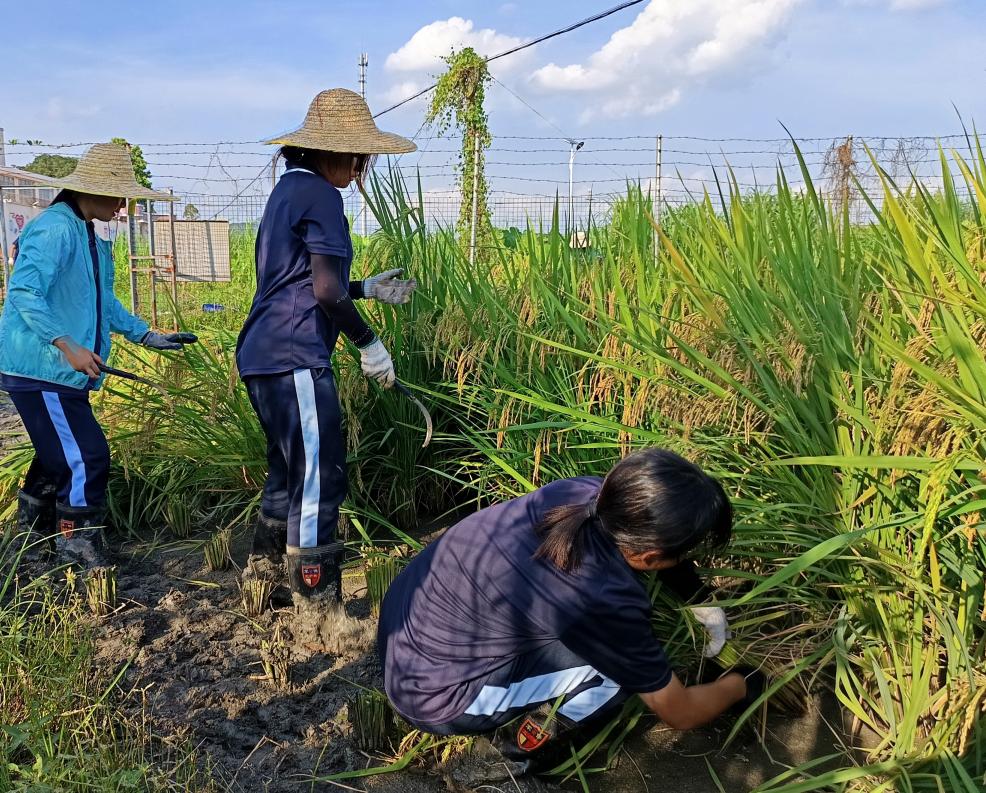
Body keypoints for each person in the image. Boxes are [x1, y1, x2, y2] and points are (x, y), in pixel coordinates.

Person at [378, 448, 759, 770]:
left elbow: (647, 547)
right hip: (435, 696)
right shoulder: (601, 597)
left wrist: (700, 598)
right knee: (615, 676)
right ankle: (510, 755)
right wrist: (742, 683)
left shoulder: (585, 493)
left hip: (405, 629)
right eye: (686, 551)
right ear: (650, 556)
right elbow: (680, 712)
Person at [236, 89, 417, 621]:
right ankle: (319, 614)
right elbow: (323, 292)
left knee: (287, 472)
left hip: (263, 353)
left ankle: (264, 581)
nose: (362, 167)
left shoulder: (287, 190)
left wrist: (364, 288)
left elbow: (299, 281)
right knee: (319, 478)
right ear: (333, 152)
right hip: (295, 354)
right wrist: (369, 343)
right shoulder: (321, 196)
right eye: (360, 156)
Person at [0, 142, 197, 568]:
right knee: (86, 457)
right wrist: (67, 344)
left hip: (62, 370)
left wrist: (147, 336)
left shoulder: (87, 232)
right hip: (44, 368)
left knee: (56, 456)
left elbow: (102, 301)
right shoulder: (55, 229)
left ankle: (29, 543)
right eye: (119, 196)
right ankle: (77, 547)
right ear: (91, 190)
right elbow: (24, 292)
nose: (123, 206)